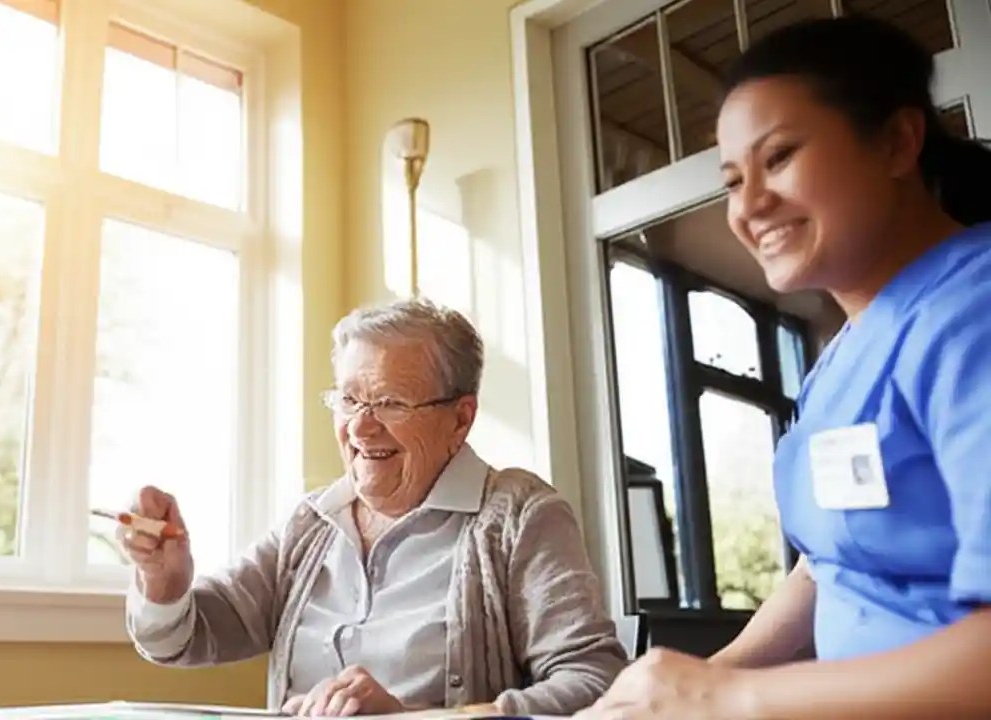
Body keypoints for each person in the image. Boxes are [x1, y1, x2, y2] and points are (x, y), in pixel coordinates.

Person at [575, 15, 991, 720]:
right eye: (733, 179)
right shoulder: (838, 364)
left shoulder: (972, 313)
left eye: (781, 158)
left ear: (897, 141)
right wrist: (685, 684)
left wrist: (732, 697)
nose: (750, 205)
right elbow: (828, 567)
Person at [120, 298, 626, 717]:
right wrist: (164, 584)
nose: (360, 428)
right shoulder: (313, 522)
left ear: (460, 419)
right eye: (349, 400)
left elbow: (598, 683)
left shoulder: (520, 516)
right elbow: (180, 641)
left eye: (390, 402)